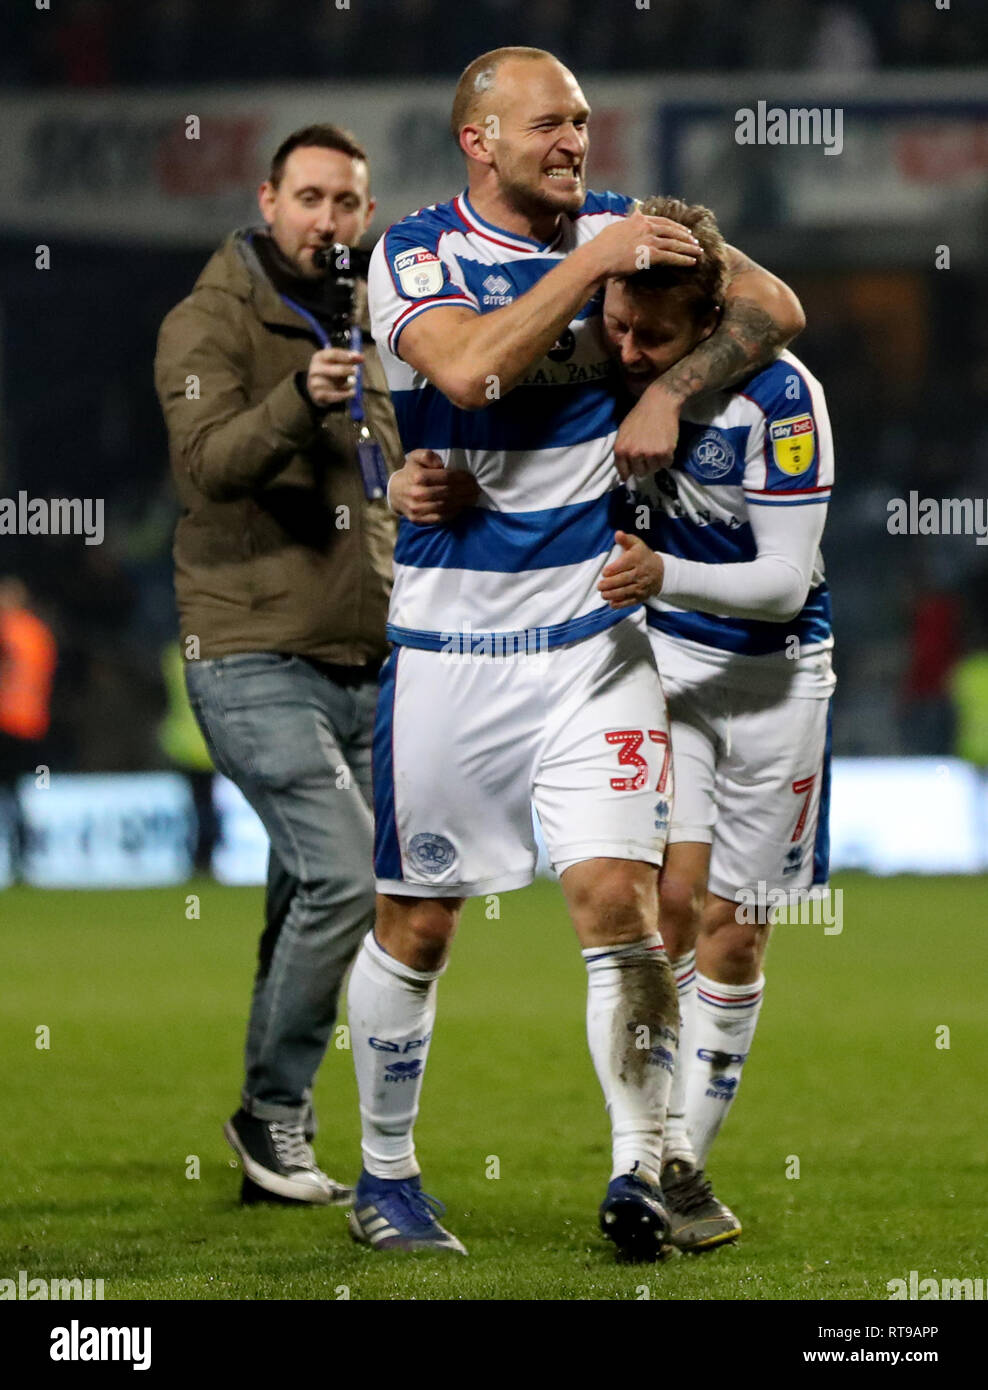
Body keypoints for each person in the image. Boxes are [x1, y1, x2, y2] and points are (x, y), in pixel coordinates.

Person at [348, 47, 805, 1261]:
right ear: (479, 140)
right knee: (418, 922)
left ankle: (641, 1173)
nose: (574, 143)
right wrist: (595, 265)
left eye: (584, 123)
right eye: (548, 125)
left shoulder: (630, 225)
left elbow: (774, 308)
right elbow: (464, 368)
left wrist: (674, 390)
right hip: (451, 646)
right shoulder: (417, 253)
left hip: (595, 644)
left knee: (621, 908)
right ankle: (383, 1175)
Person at [154, 124, 470, 1207]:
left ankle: (266, 1135)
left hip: (367, 658)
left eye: (348, 202)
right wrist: (299, 399)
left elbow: (387, 486)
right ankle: (273, 1113)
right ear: (268, 201)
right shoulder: (209, 321)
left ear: (367, 216)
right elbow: (205, 469)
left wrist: (428, 491)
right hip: (250, 651)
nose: (329, 220)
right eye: (310, 198)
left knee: (311, 886)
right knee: (343, 876)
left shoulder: (373, 320)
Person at [596, 196, 836, 1247]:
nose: (629, 347)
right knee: (664, 907)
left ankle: (681, 1160)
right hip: (663, 666)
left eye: (653, 334)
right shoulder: (597, 371)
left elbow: (784, 583)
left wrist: (662, 571)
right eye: (617, 326)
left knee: (737, 936)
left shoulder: (782, 398)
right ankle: (636, 1166)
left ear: (708, 327)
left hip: (778, 680)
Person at [0, 576, 57, 882]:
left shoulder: (8, 630)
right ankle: (22, 857)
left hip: (8, 724)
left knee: (12, 794)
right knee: (18, 795)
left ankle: (19, 856)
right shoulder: (39, 631)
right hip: (33, 725)